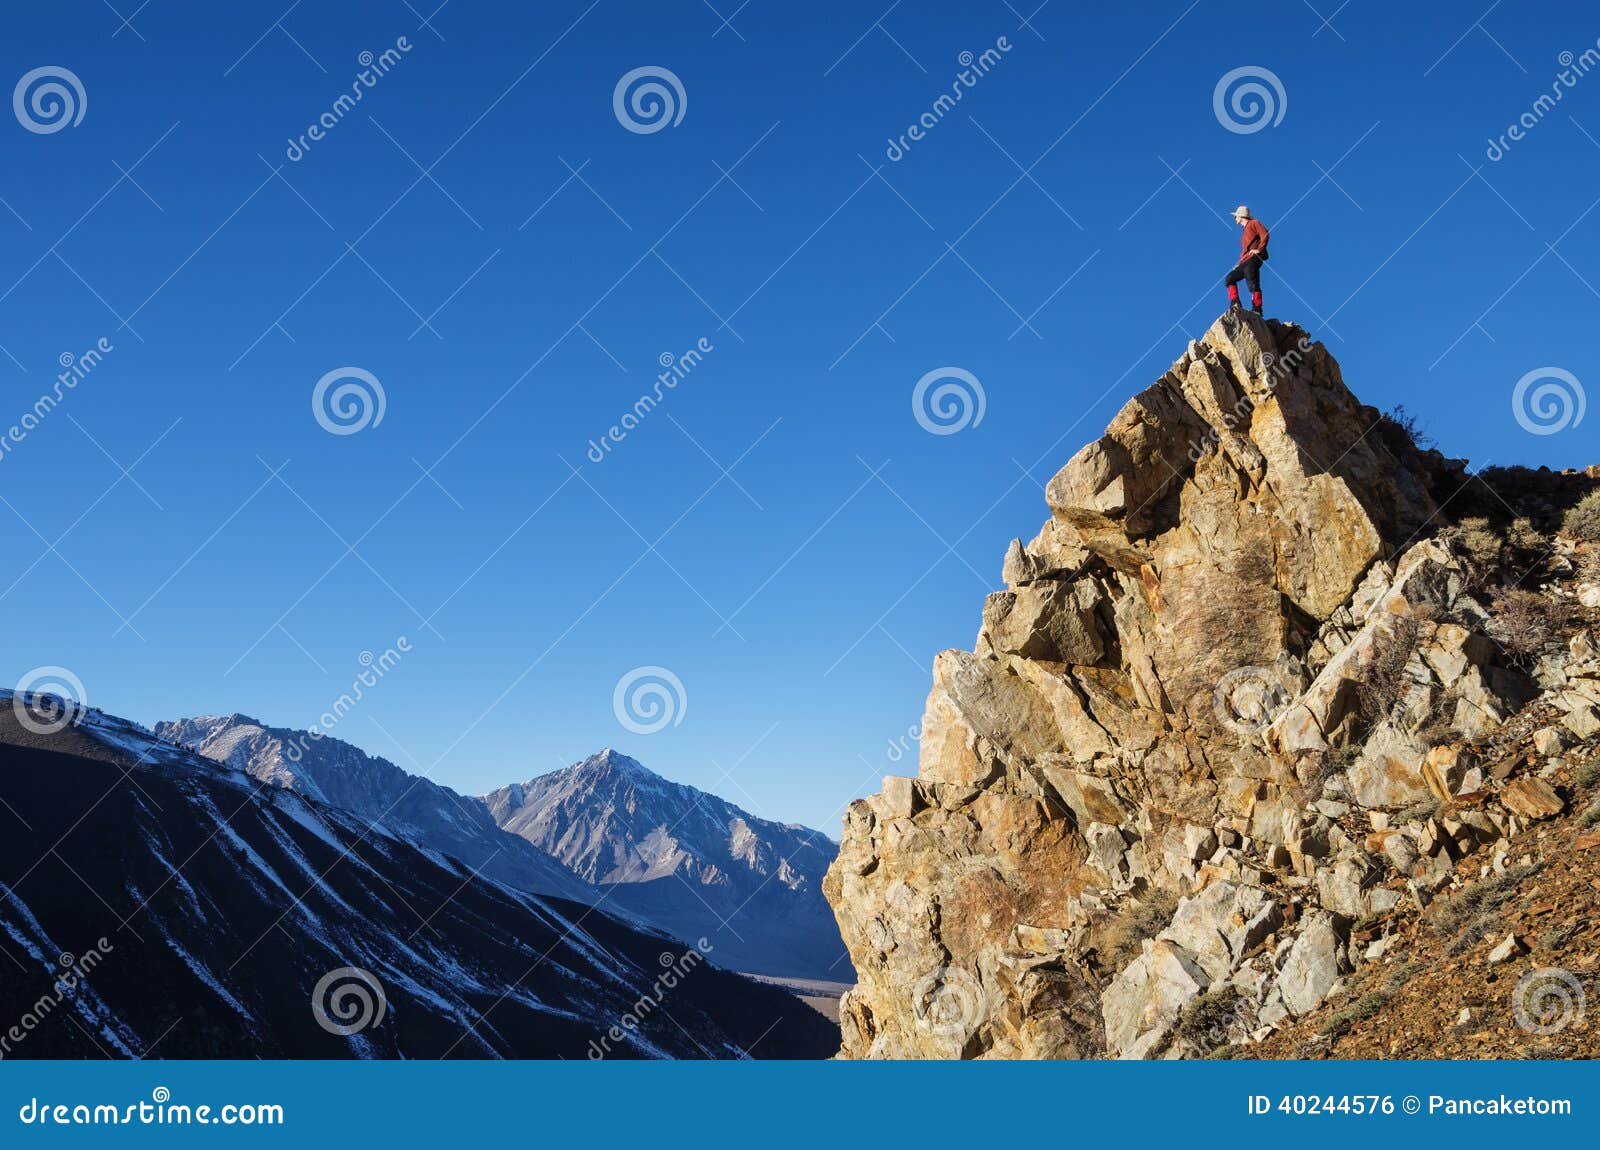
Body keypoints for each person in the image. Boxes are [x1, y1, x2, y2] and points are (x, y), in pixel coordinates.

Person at [1225, 205, 1269, 314]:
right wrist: (1239, 264)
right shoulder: (1245, 231)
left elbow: (1265, 234)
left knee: (1252, 281)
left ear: (1241, 216)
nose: (1235, 219)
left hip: (1254, 258)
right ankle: (1235, 302)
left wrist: (1259, 249)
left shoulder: (1254, 223)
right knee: (1229, 278)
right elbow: (1246, 250)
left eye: (1236, 216)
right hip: (1245, 260)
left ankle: (1257, 308)